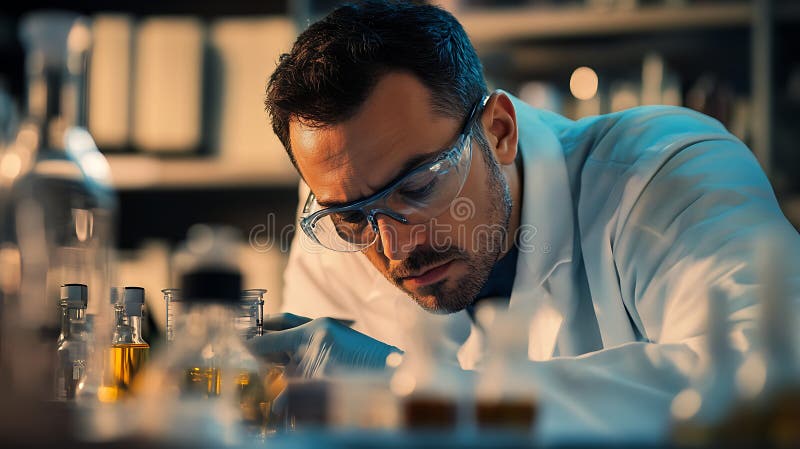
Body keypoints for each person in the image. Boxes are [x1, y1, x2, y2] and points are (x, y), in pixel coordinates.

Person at [251, 0, 800, 441]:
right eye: (352, 219)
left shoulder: (666, 170)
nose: (395, 245)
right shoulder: (345, 217)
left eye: (418, 186)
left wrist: (405, 391)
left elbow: (773, 381)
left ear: (499, 131)